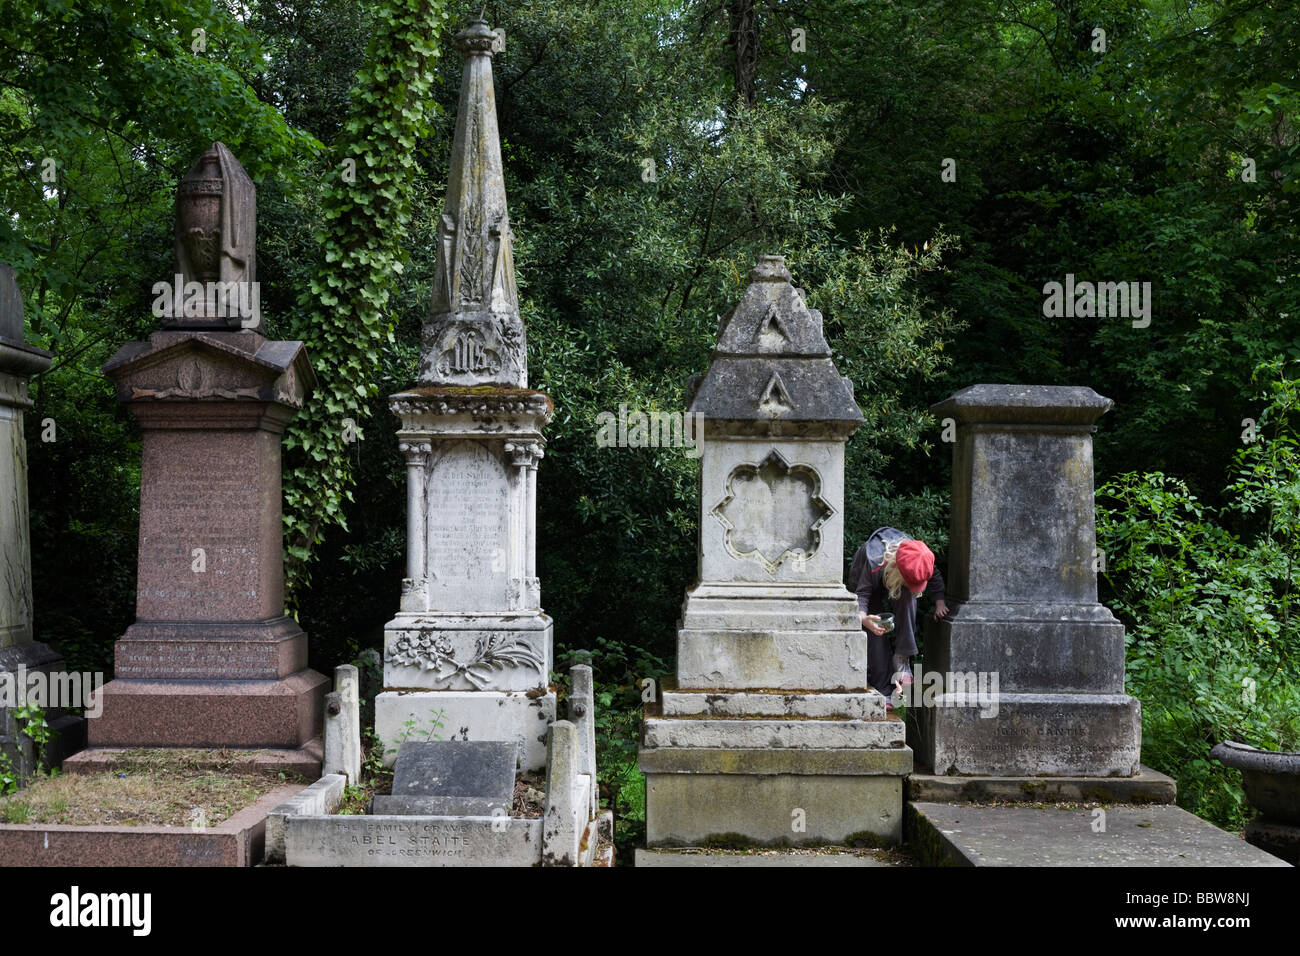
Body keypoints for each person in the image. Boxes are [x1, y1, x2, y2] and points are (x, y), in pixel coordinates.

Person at [847, 527, 949, 705]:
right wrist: (863, 618)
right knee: (875, 630)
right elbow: (862, 596)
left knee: (909, 596)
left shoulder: (920, 557)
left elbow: (934, 576)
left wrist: (939, 601)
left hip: (896, 573)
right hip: (867, 580)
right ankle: (882, 689)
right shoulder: (873, 560)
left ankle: (902, 658)